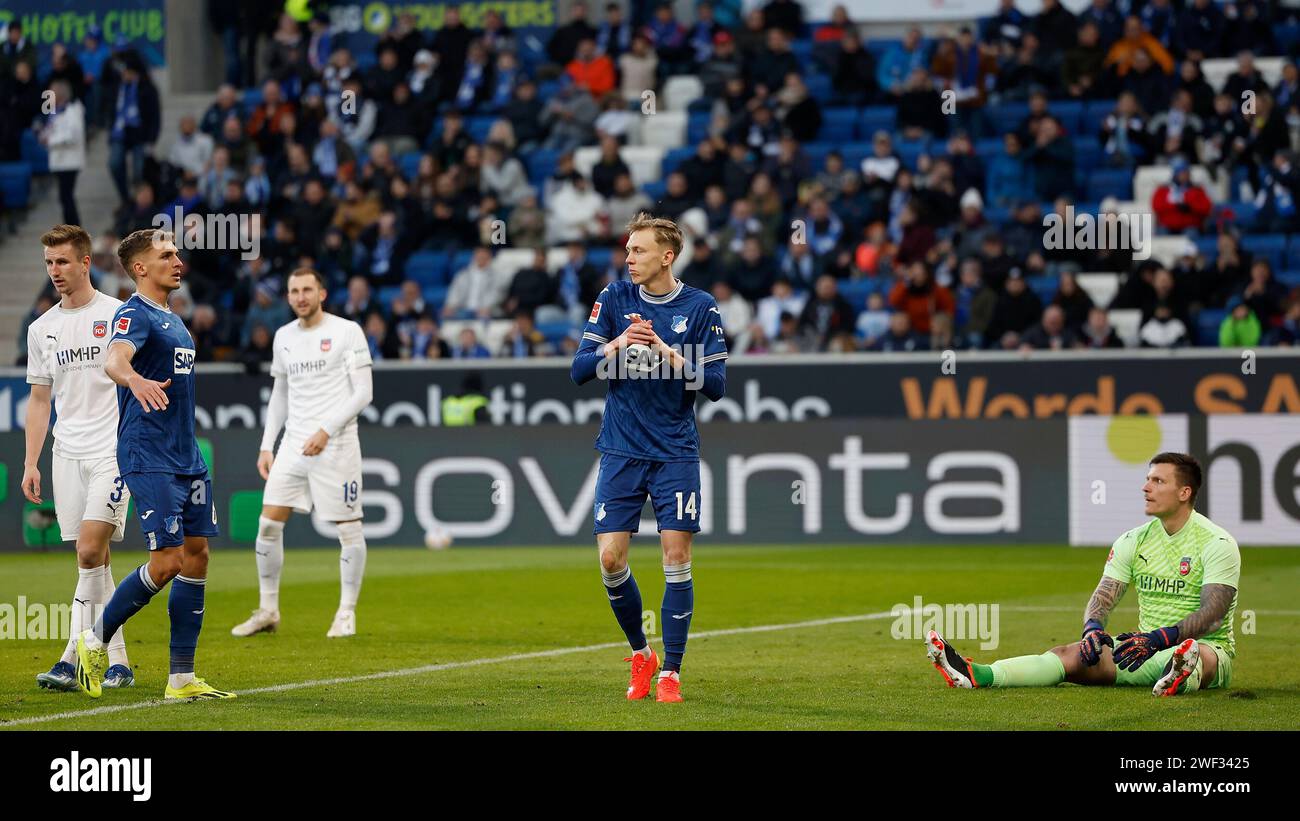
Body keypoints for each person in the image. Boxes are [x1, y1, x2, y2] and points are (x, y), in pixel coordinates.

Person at [569, 213, 728, 703]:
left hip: (674, 452)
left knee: (675, 557)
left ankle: (672, 674)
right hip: (620, 448)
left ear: (667, 255)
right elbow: (579, 370)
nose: (628, 258)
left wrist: (666, 351)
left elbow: (717, 387)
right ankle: (642, 653)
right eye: (627, 250)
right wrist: (616, 344)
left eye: (638, 251)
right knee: (611, 559)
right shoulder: (614, 299)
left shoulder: (701, 308)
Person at [928, 453, 1239, 698]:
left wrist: (1160, 639)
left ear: (1184, 492)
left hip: (1207, 648)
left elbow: (1212, 616)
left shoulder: (1216, 542)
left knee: (1199, 655)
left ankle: (1180, 675)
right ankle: (977, 674)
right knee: (1067, 655)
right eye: (1147, 479)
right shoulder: (1134, 540)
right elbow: (1104, 596)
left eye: (1158, 481)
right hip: (1141, 650)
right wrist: (1092, 629)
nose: (1146, 487)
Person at [73, 229, 232, 701]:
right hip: (148, 455)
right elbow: (114, 360)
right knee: (167, 561)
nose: (177, 260)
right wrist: (135, 380)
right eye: (166, 255)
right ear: (140, 268)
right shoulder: (134, 314)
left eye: (177, 253)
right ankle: (93, 640)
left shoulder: (175, 320)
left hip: (187, 456)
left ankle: (181, 678)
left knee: (198, 554)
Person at [231, 268, 374, 639]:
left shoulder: (346, 331)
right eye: (294, 291)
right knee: (267, 524)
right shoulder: (283, 336)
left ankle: (346, 612)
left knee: (348, 527)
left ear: (322, 293)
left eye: (307, 289)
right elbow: (280, 395)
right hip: (293, 445)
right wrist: (267, 444)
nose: (300, 296)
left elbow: (363, 393)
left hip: (336, 444)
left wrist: (326, 430)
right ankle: (267, 610)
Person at [24, 225, 133, 692]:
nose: (55, 271)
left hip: (112, 450)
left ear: (86, 262)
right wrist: (32, 462)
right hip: (66, 453)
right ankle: (120, 662)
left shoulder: (119, 314)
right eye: (49, 263)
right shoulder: (41, 328)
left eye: (63, 262)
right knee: (95, 561)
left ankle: (71, 657)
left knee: (89, 551)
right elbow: (39, 401)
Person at [40, 81, 87, 227]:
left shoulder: (73, 110)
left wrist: (51, 141)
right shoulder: (56, 112)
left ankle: (74, 228)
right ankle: (71, 227)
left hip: (69, 161)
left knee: (66, 197)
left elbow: (72, 135)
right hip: (60, 162)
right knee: (64, 197)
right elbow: (51, 130)